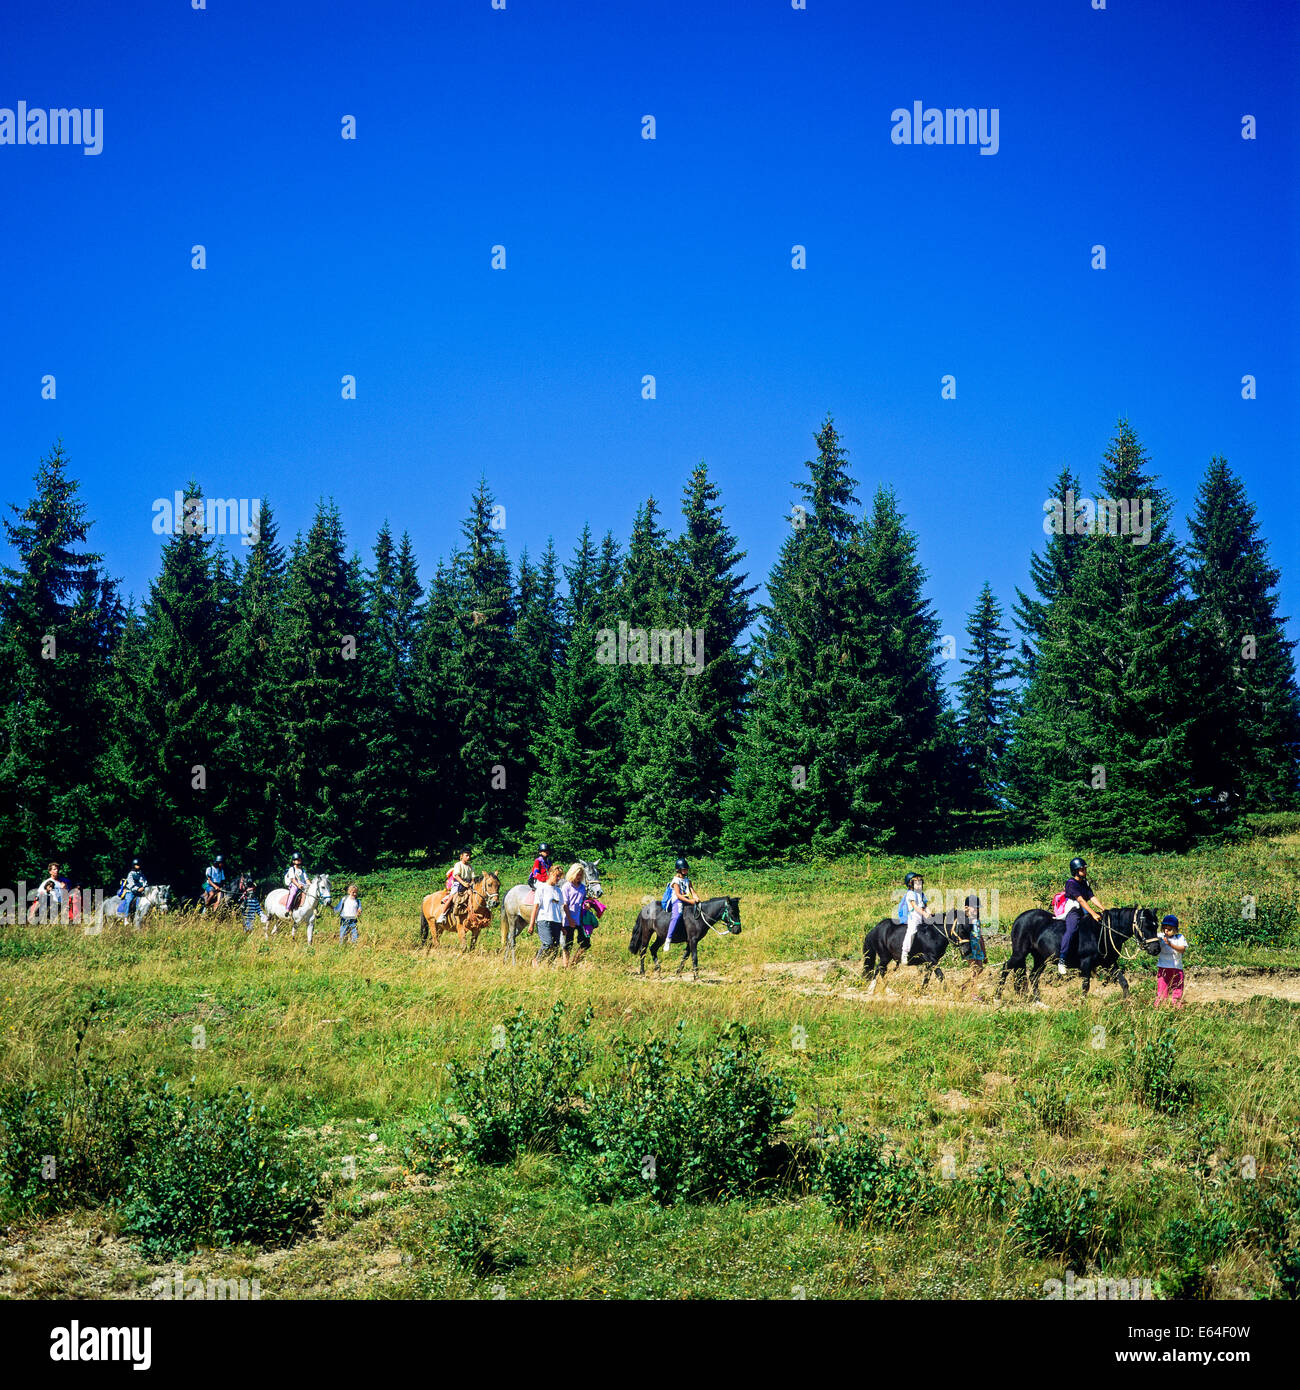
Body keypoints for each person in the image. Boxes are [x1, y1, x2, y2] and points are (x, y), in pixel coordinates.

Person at [1058, 857, 1106, 975]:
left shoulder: (1084, 883)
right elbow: (1081, 900)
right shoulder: (1071, 883)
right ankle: (1062, 959)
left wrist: (1104, 909)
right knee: (1072, 929)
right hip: (1073, 910)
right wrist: (1093, 913)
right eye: (1082, 869)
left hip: (1084, 909)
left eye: (1085, 868)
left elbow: (1092, 897)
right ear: (1075, 870)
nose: (1085, 870)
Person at [528, 861, 576, 966]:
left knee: (555, 946)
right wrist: (531, 924)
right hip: (544, 920)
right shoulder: (542, 889)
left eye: (560, 877)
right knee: (547, 943)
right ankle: (537, 960)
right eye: (556, 876)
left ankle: (549, 965)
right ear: (550, 874)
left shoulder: (558, 891)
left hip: (556, 921)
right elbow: (535, 907)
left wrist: (563, 926)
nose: (558, 878)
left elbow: (562, 907)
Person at [662, 857, 700, 953]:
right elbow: (678, 895)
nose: (686, 871)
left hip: (686, 900)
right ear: (679, 870)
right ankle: (668, 939)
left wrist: (696, 898)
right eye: (684, 869)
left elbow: (692, 891)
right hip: (677, 901)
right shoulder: (675, 881)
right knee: (677, 915)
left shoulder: (688, 880)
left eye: (686, 869)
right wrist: (691, 901)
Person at [559, 863, 589, 966]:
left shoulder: (582, 888)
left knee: (585, 943)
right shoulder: (566, 887)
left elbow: (584, 900)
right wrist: (570, 919)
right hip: (568, 919)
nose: (579, 877)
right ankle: (565, 965)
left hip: (580, 919)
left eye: (581, 875)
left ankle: (574, 962)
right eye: (577, 875)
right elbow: (565, 904)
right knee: (568, 943)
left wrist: (587, 904)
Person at [1155, 914, 1187, 1007]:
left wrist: (1170, 944)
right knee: (1161, 990)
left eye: (1169, 929)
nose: (1166, 931)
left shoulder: (1179, 938)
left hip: (1176, 969)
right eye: (1164, 928)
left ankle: (1176, 1007)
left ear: (1175, 930)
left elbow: (1182, 949)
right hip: (1163, 969)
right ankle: (1160, 1007)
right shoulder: (1160, 937)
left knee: (1177, 990)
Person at [435, 849, 474, 924]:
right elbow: (456, 876)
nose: (468, 857)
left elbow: (473, 877)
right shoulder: (458, 864)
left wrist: (470, 884)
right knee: (451, 898)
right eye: (466, 855)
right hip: (458, 884)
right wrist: (463, 883)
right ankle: (442, 915)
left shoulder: (470, 867)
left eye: (469, 855)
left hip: (468, 885)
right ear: (461, 856)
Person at [899, 871, 928, 967]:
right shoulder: (910, 894)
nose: (919, 885)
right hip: (914, 917)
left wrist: (930, 913)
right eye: (916, 884)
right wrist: (924, 912)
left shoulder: (922, 894)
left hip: (922, 916)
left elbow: (925, 905)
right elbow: (915, 906)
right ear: (910, 884)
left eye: (920, 883)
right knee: (912, 931)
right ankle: (905, 952)